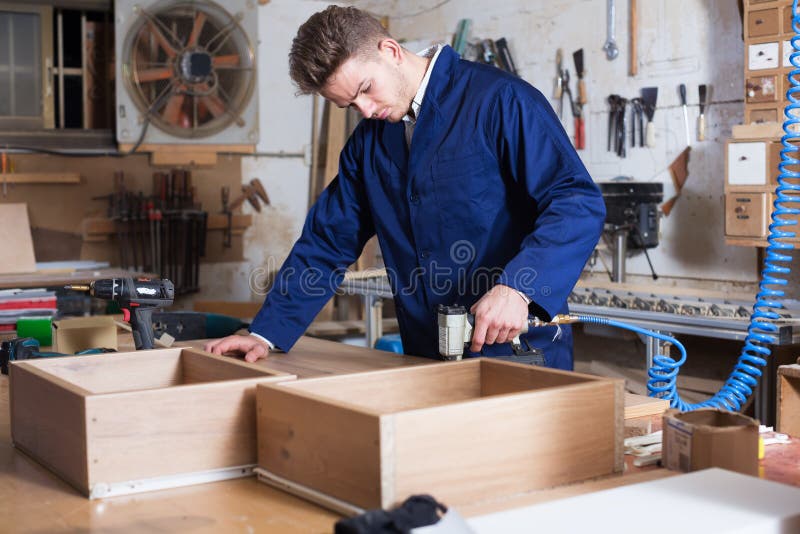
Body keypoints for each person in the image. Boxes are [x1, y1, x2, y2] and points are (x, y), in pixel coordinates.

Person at [205, 5, 605, 370]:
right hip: (426, 354)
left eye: (364, 90)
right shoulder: (367, 145)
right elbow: (327, 241)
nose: (364, 111)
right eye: (349, 105)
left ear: (391, 51)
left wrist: (520, 288)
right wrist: (264, 332)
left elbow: (576, 201)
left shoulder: (501, 101)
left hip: (517, 348)